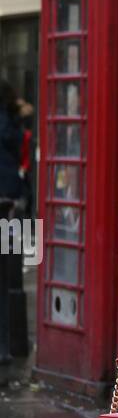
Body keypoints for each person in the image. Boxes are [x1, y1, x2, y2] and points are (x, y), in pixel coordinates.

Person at [0, 81, 24, 365]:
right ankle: (6, 345)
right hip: (9, 198)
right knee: (8, 268)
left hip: (8, 198)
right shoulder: (10, 122)